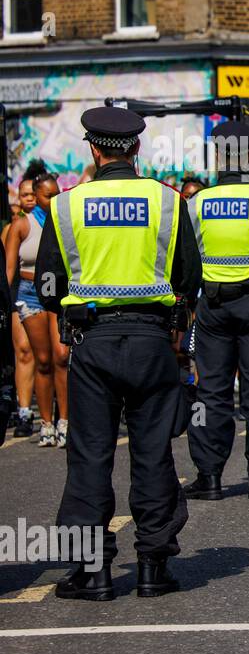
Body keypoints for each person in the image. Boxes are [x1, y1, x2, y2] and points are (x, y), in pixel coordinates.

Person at [38, 106, 201, 599]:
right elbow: (189, 279)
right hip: (152, 341)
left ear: (93, 149)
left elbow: (48, 286)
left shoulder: (65, 206)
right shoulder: (168, 202)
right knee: (153, 453)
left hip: (93, 341)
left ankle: (93, 572)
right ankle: (153, 566)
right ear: (136, 148)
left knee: (89, 455)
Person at [182, 120, 249, 502]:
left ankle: (208, 477)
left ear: (217, 157)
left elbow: (187, 256)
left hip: (211, 307)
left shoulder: (196, 203)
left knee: (211, 392)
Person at [5, 175, 70, 447]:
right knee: (41, 360)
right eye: (47, 195)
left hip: (58, 291)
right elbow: (9, 269)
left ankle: (64, 421)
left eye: (56, 194)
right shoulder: (22, 224)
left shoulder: (65, 221)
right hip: (30, 293)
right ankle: (46, 423)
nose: (53, 199)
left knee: (61, 357)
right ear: (37, 196)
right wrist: (6, 304)